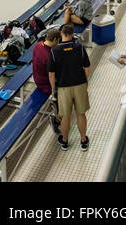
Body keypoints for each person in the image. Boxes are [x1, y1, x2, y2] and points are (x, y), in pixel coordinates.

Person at [49, 22, 92, 151]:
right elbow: (87, 67)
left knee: (65, 116)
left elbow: (51, 74)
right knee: (81, 114)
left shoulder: (54, 51)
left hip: (63, 88)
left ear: (61, 34)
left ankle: (65, 141)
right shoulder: (79, 47)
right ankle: (83, 141)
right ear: (72, 34)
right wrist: (85, 82)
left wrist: (53, 90)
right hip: (79, 85)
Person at [30, 27, 58, 97]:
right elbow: (51, 75)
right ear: (55, 39)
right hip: (44, 85)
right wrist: (53, 90)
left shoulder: (38, 44)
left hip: (36, 77)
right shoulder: (48, 56)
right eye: (58, 40)